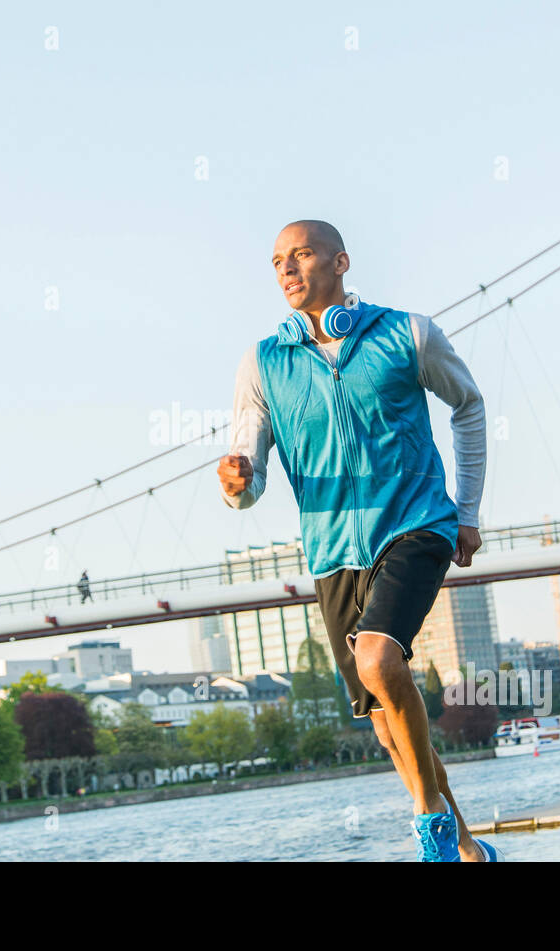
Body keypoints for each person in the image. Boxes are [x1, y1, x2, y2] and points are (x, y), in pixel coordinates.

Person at [218, 220, 497, 863]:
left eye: (303, 254)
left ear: (341, 262)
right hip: (332, 551)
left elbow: (470, 405)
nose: (288, 269)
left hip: (416, 523)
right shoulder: (263, 362)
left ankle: (429, 826)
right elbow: (249, 475)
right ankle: (466, 849)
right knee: (383, 719)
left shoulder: (408, 333)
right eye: (278, 261)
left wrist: (468, 510)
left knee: (377, 657)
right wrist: (235, 481)